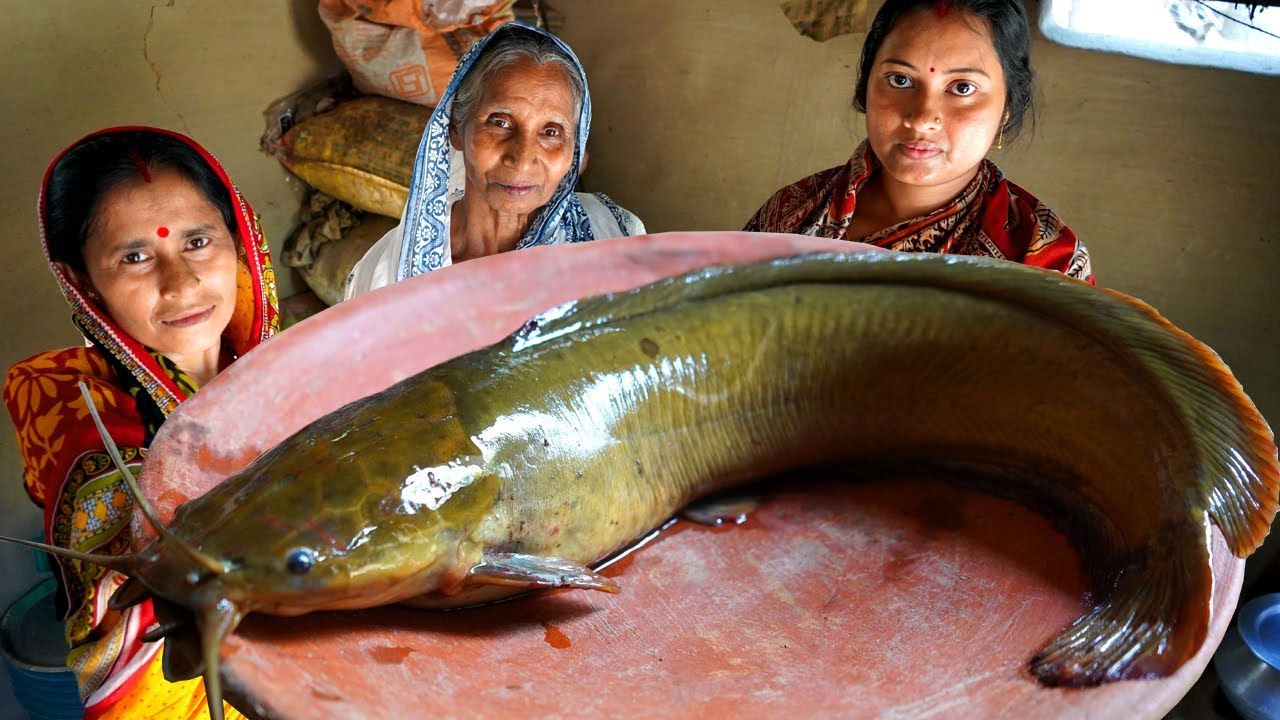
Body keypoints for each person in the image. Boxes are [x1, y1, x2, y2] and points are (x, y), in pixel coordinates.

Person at [4, 127, 279, 720]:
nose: (180, 284)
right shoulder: (85, 424)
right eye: (135, 257)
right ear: (82, 283)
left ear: (239, 239)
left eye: (198, 241)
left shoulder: (295, 365)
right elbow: (145, 662)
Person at [744, 0, 1093, 283]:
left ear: (1006, 108)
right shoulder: (792, 213)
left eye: (962, 88)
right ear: (867, 85)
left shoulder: (1044, 259)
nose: (923, 118)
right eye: (899, 80)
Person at [344, 22, 645, 298]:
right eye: (499, 122)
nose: (523, 159)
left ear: (574, 150)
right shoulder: (388, 276)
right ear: (455, 130)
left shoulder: (616, 237)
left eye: (551, 132)